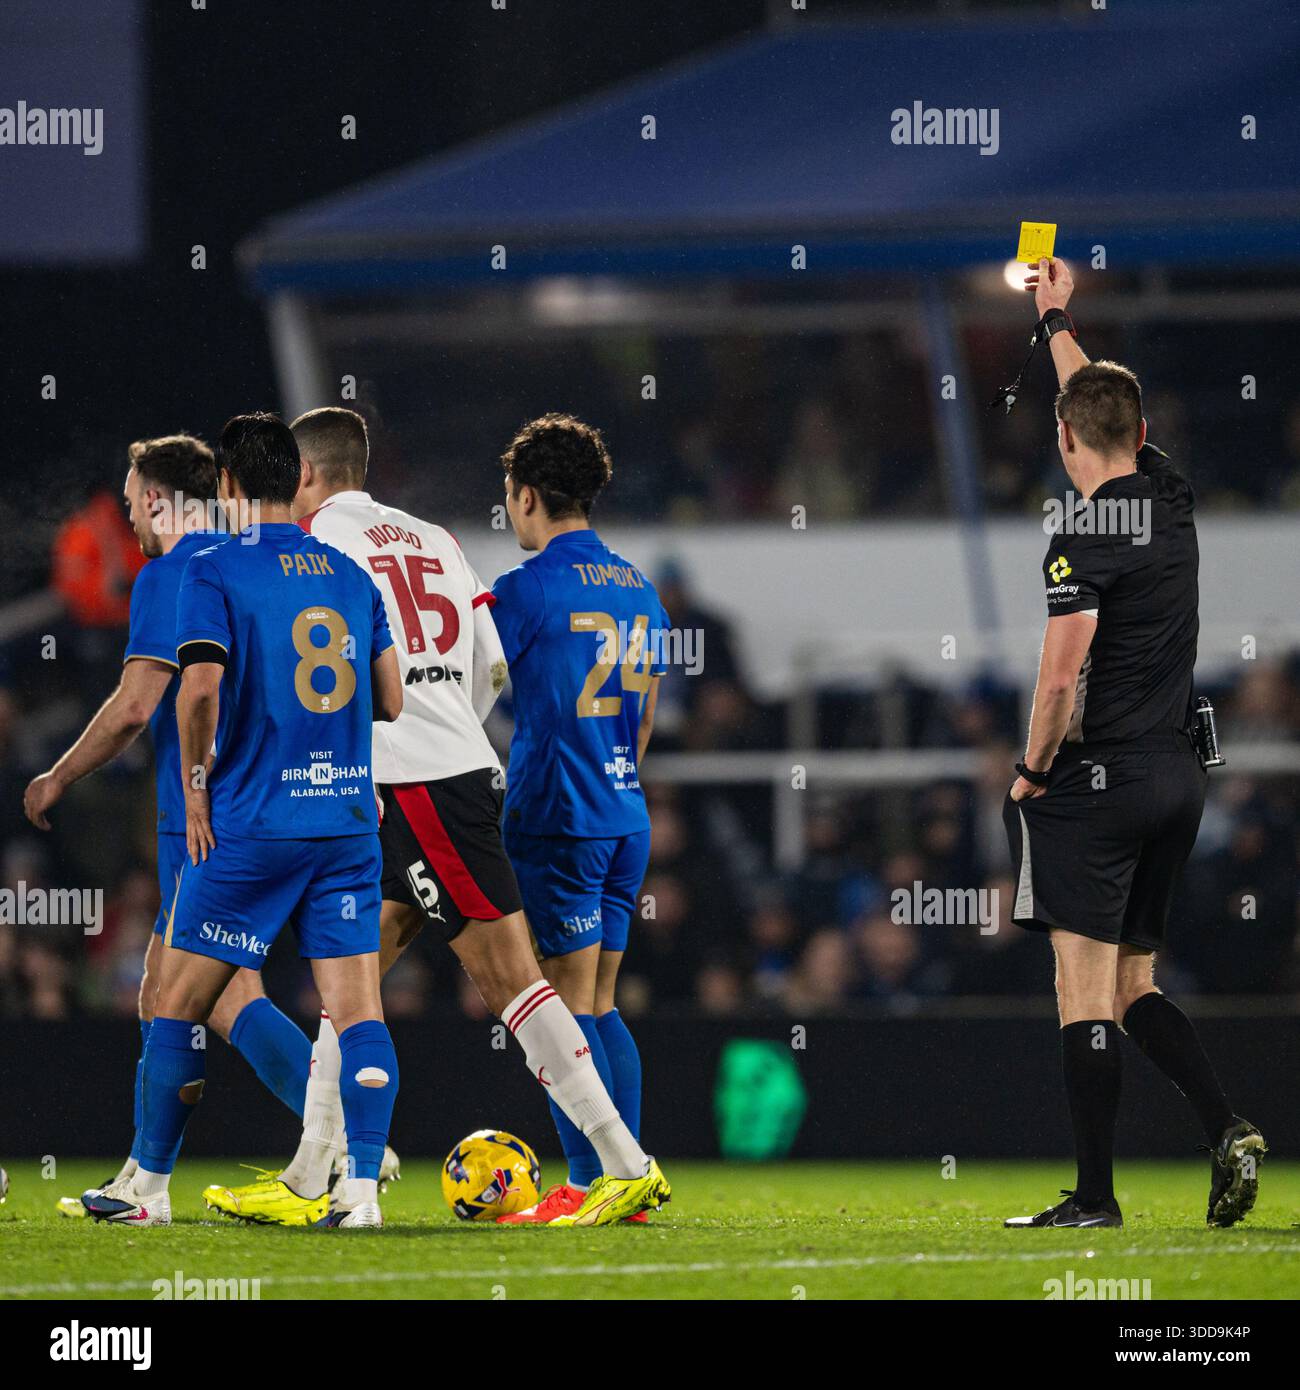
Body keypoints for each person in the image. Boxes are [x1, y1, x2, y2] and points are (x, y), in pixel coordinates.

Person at [203, 406, 668, 1228]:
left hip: (409, 787)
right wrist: (444, 719)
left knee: (512, 981)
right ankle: (311, 1175)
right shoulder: (437, 539)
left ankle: (626, 1163)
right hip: (439, 774)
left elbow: (321, 680)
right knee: (351, 983)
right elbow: (489, 672)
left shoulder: (319, 554)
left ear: (304, 477)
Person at [81, 412, 403, 1229]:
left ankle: (147, 1188)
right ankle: (359, 1189)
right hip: (344, 823)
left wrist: (195, 788)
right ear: (300, 481)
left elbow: (196, 690)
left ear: (226, 486)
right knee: (357, 1011)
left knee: (173, 1001)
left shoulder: (213, 569)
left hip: (252, 823)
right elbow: (391, 697)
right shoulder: (350, 573)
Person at [1001, 260, 1265, 1231]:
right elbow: (1103, 402)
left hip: (1099, 782)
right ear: (1141, 437)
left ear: (1063, 438)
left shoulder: (1078, 537)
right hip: (1176, 779)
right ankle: (1223, 1123)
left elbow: (1059, 678)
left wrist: (1031, 772)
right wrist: (1053, 314)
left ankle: (1095, 1198)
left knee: (1080, 992)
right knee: (1133, 984)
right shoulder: (1173, 499)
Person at [23, 435, 316, 1215]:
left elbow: (133, 708)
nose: (129, 519)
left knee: (180, 997)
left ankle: (160, 1184)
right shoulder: (260, 561)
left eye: (130, 504)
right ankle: (150, 1175)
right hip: (287, 805)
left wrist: (59, 774)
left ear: (157, 500)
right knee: (198, 994)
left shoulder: (173, 573)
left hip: (205, 820)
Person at [489, 413, 670, 1226]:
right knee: (598, 1001)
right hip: (625, 811)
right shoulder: (640, 586)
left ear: (528, 496)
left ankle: (591, 1178)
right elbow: (646, 718)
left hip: (557, 816)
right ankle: (620, 1181)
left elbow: (469, 693)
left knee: (557, 1007)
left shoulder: (522, 590)